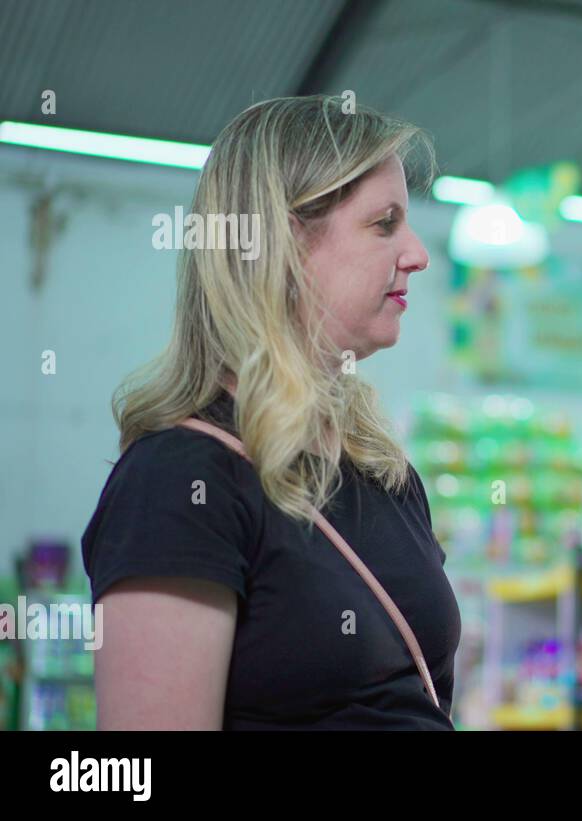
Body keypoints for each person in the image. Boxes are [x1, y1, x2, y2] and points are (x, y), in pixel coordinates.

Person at [81, 95, 459, 730]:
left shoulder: (381, 474)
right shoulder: (179, 480)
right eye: (384, 222)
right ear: (282, 240)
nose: (418, 253)